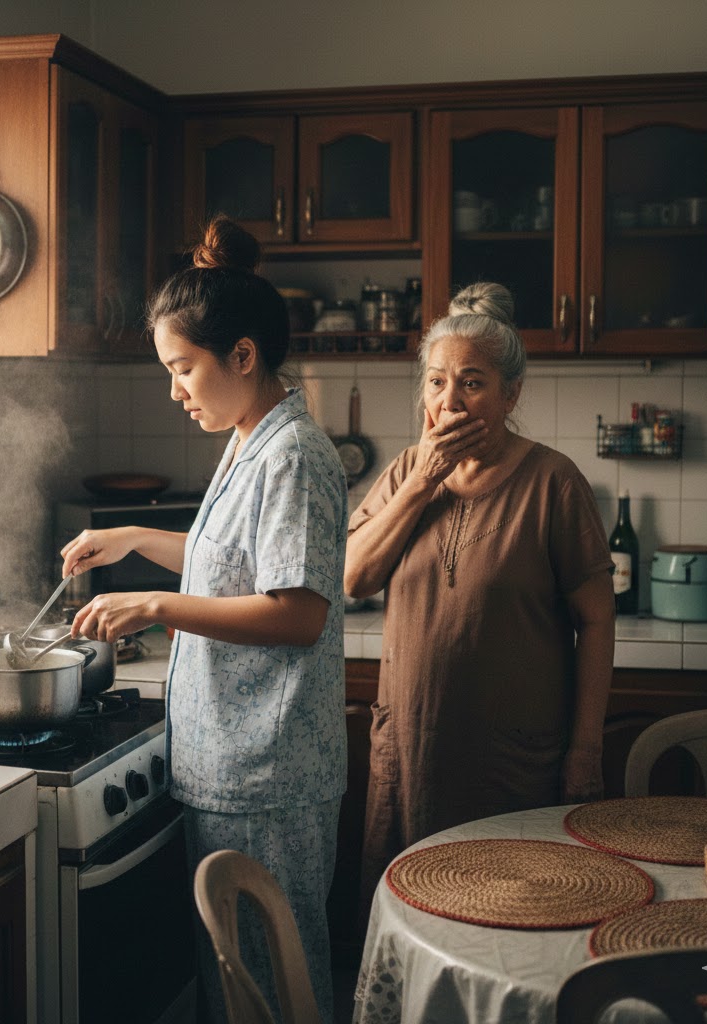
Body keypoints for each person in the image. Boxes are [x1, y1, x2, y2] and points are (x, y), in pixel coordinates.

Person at [59, 215, 348, 1023]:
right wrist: (131, 540)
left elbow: (296, 614)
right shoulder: (251, 435)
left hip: (271, 771)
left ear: (243, 356)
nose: (175, 388)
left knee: (272, 986)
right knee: (236, 983)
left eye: (183, 368)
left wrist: (152, 603)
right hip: (235, 761)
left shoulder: (292, 455)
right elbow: (231, 559)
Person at [345, 281, 615, 908]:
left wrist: (586, 750)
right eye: (436, 382)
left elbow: (598, 621)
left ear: (510, 392)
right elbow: (355, 578)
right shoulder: (405, 472)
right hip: (412, 751)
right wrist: (424, 480)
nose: (450, 400)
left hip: (511, 760)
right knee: (412, 912)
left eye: (471, 382)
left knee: (507, 912)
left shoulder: (554, 482)